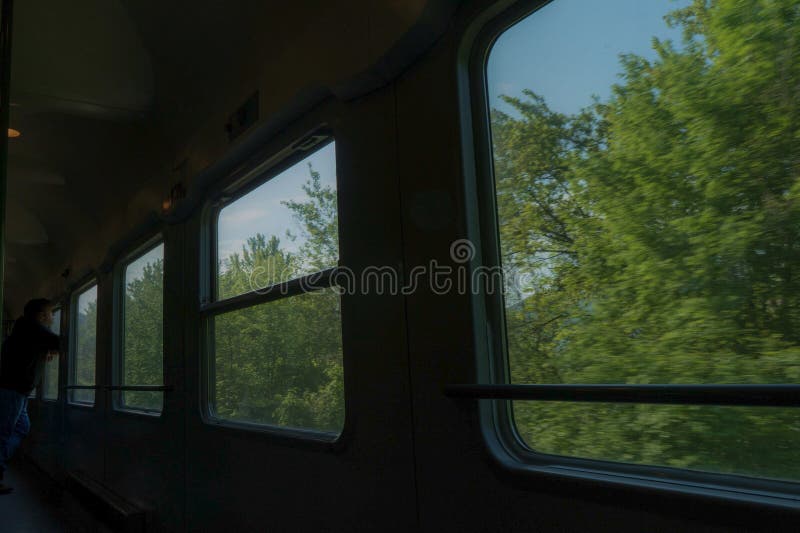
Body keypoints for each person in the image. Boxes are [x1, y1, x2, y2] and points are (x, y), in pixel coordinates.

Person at [0, 299, 60, 494]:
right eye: (51, 313)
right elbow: (60, 342)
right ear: (41, 316)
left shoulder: (24, 330)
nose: (53, 317)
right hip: (13, 391)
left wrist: (44, 350)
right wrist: (50, 347)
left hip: (17, 392)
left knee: (21, 428)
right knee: (4, 434)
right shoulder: (32, 327)